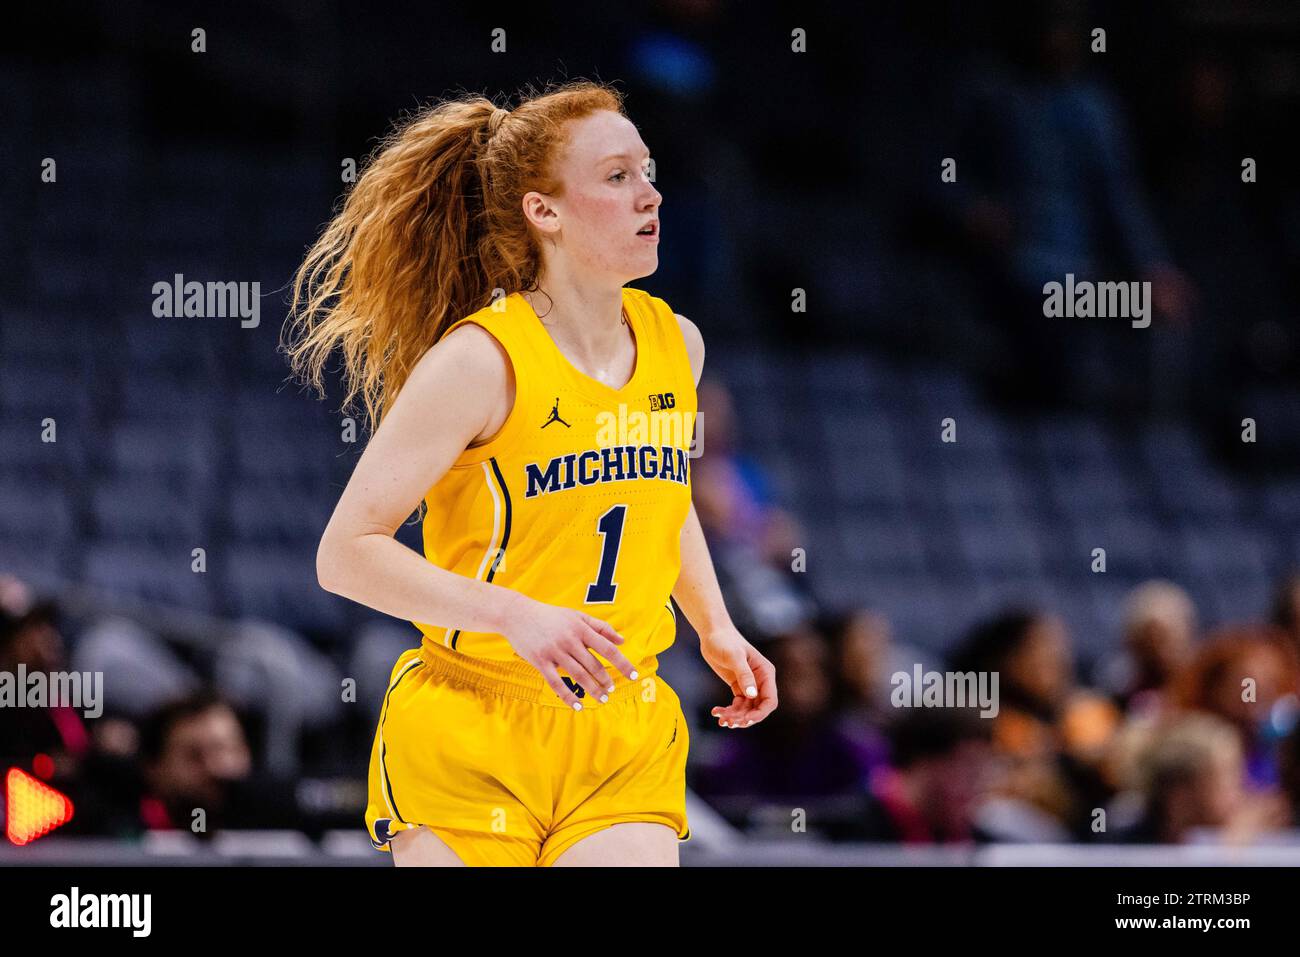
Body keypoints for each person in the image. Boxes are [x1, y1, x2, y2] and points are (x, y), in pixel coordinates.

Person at [285, 80, 777, 867]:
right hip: (472, 724)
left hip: (622, 726)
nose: (650, 193)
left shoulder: (675, 343)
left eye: (648, 171)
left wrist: (714, 624)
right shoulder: (477, 363)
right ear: (543, 211)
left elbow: (660, 496)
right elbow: (344, 553)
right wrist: (517, 614)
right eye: (617, 176)